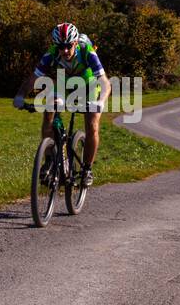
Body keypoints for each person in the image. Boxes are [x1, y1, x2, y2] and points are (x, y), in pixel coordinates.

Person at [13, 22, 111, 186]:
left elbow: (105, 83)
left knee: (93, 123)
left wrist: (100, 102)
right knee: (49, 111)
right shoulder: (51, 54)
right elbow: (34, 77)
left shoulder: (87, 52)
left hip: (89, 86)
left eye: (68, 46)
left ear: (75, 43)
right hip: (64, 85)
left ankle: (87, 169)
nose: (64, 50)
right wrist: (20, 95)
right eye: (60, 46)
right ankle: (50, 159)